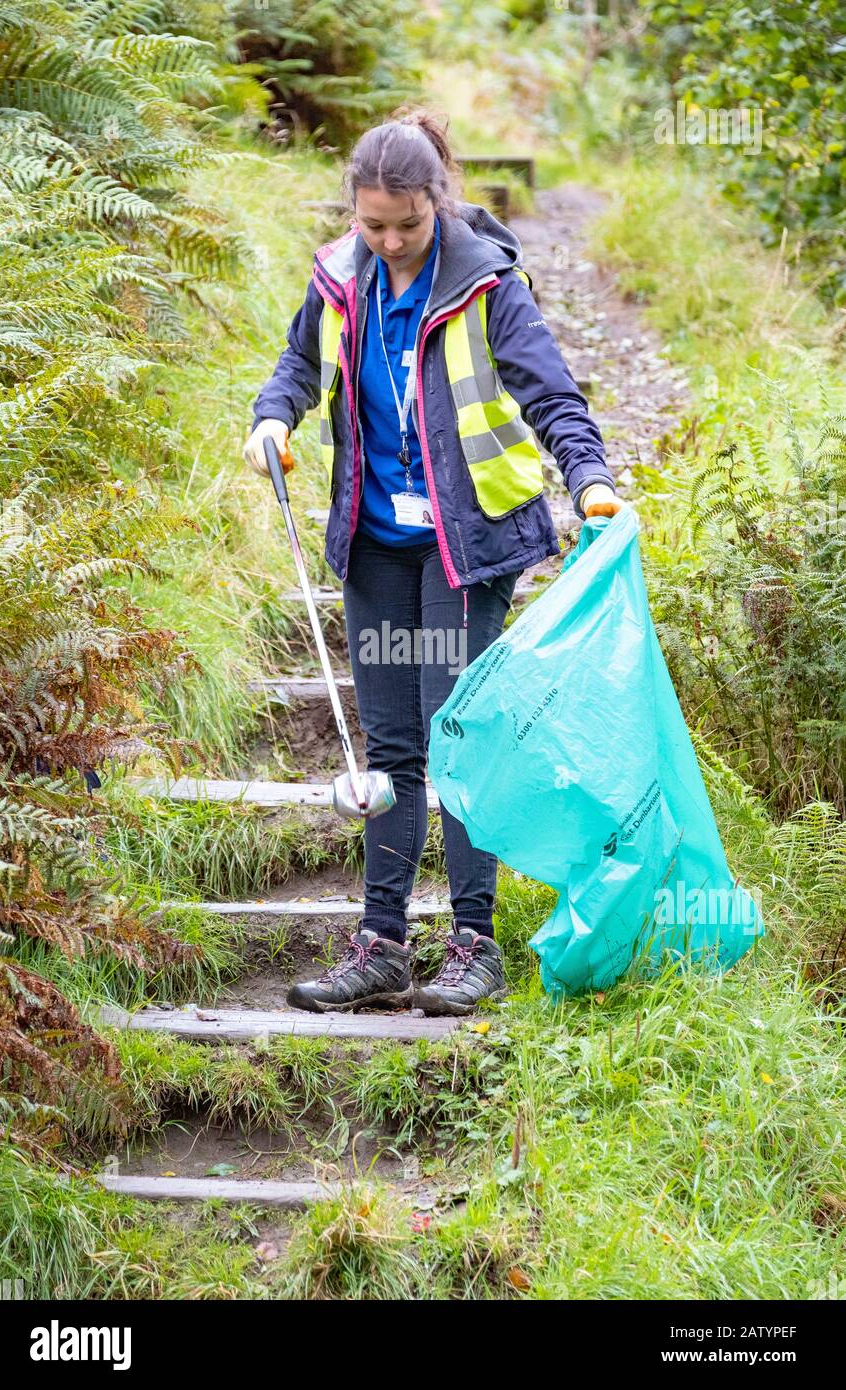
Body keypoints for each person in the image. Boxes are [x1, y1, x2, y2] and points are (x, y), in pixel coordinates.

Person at [244, 110, 624, 1017]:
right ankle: (380, 945)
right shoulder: (340, 276)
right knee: (392, 747)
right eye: (372, 225)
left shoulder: (488, 282)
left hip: (468, 550)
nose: (389, 242)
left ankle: (473, 944)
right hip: (375, 544)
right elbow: (299, 363)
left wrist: (593, 481)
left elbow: (550, 392)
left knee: (457, 740)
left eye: (406, 226)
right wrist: (272, 417)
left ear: (436, 203)